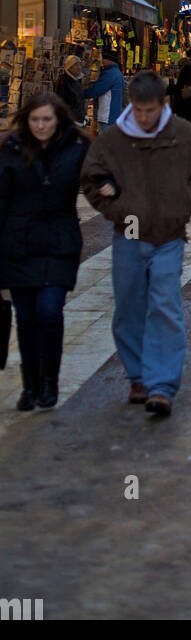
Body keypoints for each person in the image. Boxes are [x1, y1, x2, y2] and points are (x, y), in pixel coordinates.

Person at [80, 71, 191, 416]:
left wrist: (185, 204)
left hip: (169, 233)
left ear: (164, 104)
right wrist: (114, 208)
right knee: (128, 306)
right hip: (127, 232)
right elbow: (91, 178)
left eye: (150, 111)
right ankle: (138, 375)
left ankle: (162, 385)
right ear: (131, 105)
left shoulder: (185, 136)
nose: (143, 118)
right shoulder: (112, 140)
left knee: (165, 306)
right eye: (138, 110)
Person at [0, 94, 90, 411]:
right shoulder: (11, 150)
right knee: (25, 319)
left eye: (47, 120)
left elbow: (98, 178)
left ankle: (50, 382)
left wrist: (114, 193)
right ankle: (30, 386)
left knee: (49, 312)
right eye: (35, 120)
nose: (40, 126)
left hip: (59, 243)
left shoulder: (77, 148)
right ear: (26, 120)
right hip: (19, 246)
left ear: (59, 120)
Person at [86, 49, 125, 131]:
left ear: (109, 60)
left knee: (105, 141)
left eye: (104, 58)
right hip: (113, 115)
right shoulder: (117, 73)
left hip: (107, 116)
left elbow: (96, 90)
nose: (102, 61)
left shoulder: (110, 74)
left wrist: (82, 93)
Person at [56, 55, 88, 126]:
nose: (79, 67)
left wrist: (84, 116)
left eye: (79, 64)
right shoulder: (63, 82)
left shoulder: (77, 80)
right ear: (69, 67)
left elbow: (80, 100)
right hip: (70, 123)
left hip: (79, 122)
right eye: (76, 65)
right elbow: (61, 104)